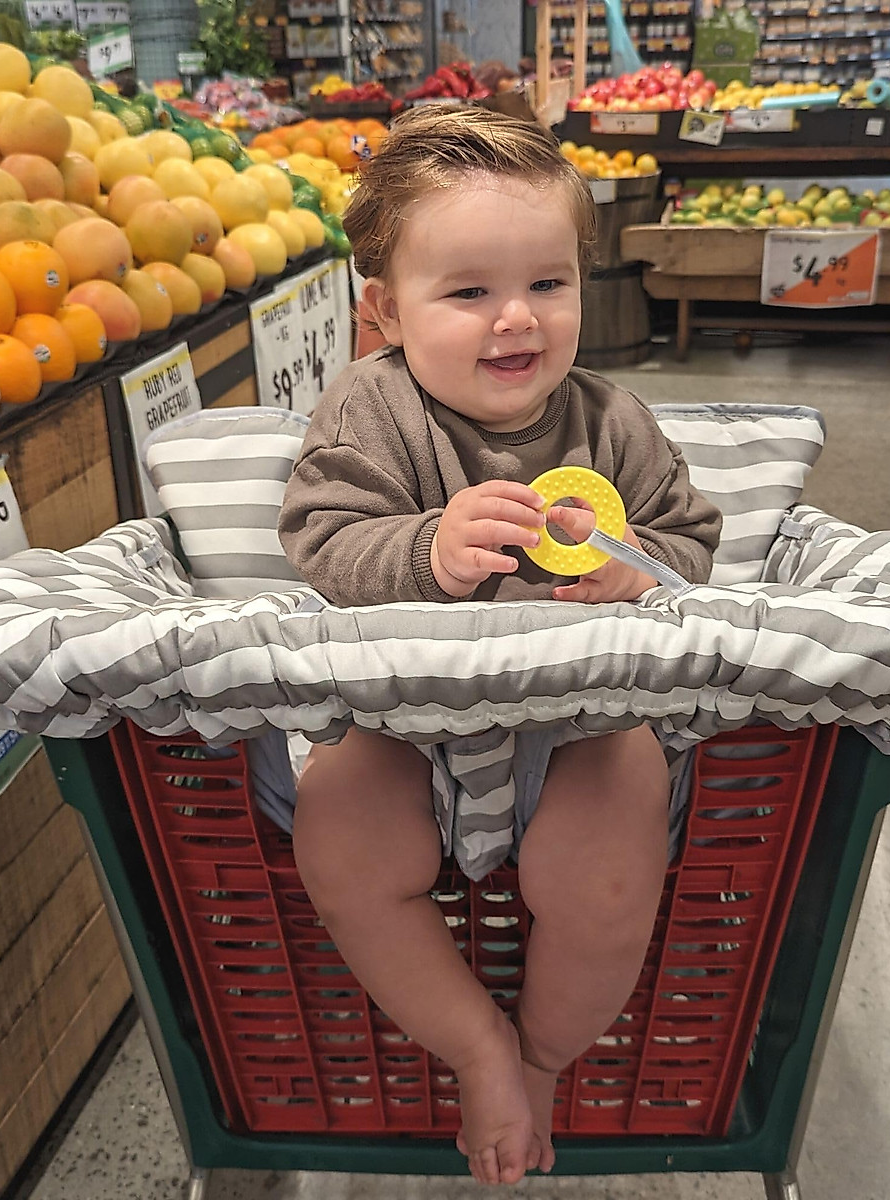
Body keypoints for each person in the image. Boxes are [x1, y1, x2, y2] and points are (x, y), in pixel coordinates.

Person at [278, 106, 722, 1186]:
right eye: (469, 291)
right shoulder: (370, 413)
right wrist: (427, 545)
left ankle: (544, 1056)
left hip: (581, 718)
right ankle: (478, 1048)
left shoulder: (614, 421)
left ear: (584, 281)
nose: (516, 320)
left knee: (615, 873)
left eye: (549, 284)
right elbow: (322, 540)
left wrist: (639, 564)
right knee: (337, 837)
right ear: (383, 310)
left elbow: (690, 540)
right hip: (406, 716)